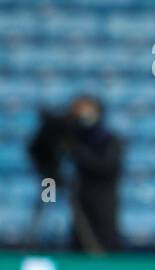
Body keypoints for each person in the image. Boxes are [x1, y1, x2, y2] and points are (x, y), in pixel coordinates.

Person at [26, 96, 124, 252]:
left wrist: (74, 148)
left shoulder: (108, 140)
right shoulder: (74, 137)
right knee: (76, 243)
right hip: (67, 194)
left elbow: (104, 166)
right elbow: (37, 149)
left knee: (103, 242)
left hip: (101, 206)